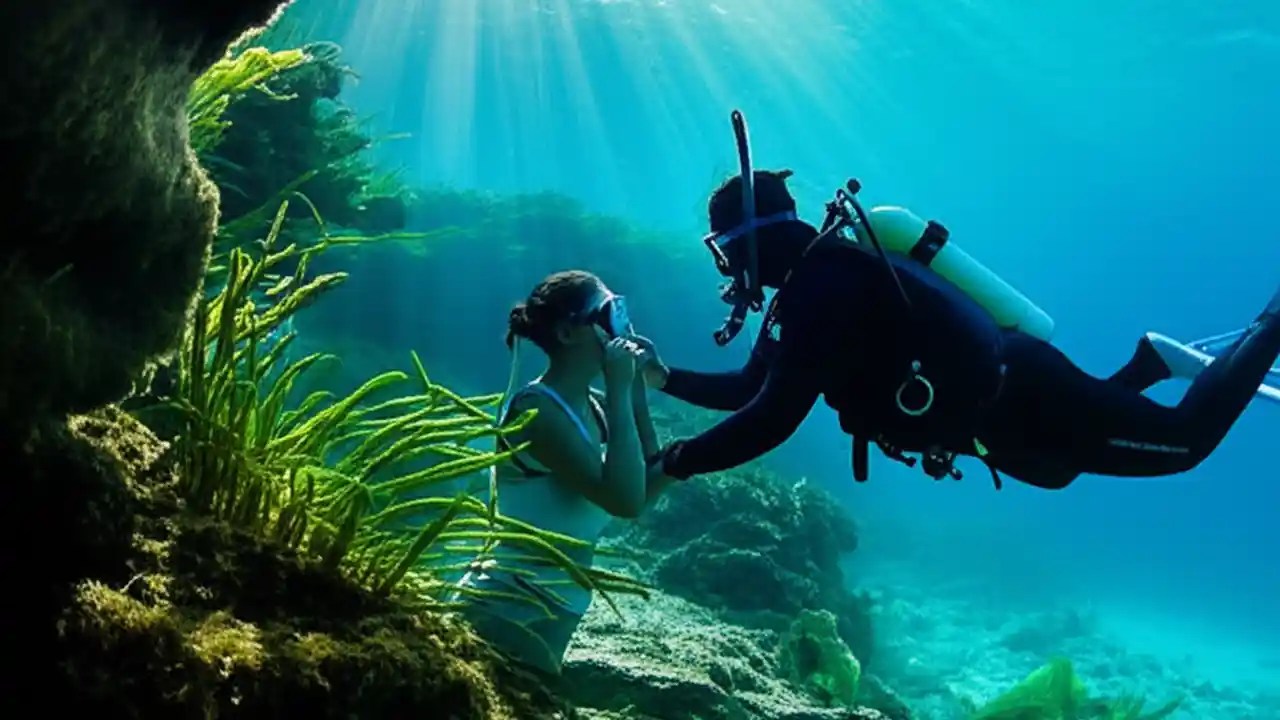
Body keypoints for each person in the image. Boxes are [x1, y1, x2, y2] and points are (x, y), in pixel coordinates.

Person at [642, 111, 1280, 490]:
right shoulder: (807, 290)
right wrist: (663, 377)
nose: (727, 270)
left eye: (724, 251)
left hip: (1023, 395)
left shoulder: (823, 288)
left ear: (752, 240)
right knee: (1057, 471)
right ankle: (1149, 363)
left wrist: (674, 464)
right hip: (994, 416)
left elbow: (772, 419)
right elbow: (746, 388)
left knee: (1184, 443)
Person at [454, 269, 673, 676]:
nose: (621, 328)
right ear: (568, 333)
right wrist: (620, 390)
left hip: (557, 608)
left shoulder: (595, 407)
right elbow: (624, 501)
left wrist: (634, 388)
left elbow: (639, 487)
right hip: (505, 606)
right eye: (607, 314)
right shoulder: (538, 411)